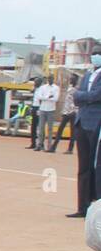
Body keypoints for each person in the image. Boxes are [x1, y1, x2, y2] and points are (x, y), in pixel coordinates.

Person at [69, 38, 101, 219]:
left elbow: (97, 95)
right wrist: (85, 96)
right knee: (83, 167)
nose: (95, 56)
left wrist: (83, 96)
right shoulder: (88, 75)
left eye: (98, 54)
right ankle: (82, 206)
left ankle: (97, 206)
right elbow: (77, 96)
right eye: (93, 53)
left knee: (97, 166)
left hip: (97, 123)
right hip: (82, 122)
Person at [50, 74, 78, 154]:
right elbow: (67, 101)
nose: (70, 80)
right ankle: (53, 147)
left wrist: (73, 111)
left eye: (72, 79)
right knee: (60, 130)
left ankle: (70, 149)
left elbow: (76, 102)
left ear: (76, 80)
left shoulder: (77, 89)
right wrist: (64, 111)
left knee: (72, 131)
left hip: (73, 113)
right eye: (70, 79)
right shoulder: (69, 88)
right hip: (66, 112)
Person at [35, 76, 59, 151]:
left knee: (50, 129)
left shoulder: (56, 88)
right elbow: (39, 97)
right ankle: (40, 144)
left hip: (51, 109)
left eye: (51, 79)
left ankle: (49, 146)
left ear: (53, 79)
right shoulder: (43, 87)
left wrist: (45, 97)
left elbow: (56, 99)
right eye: (49, 79)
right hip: (43, 108)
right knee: (41, 127)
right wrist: (48, 97)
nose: (50, 80)